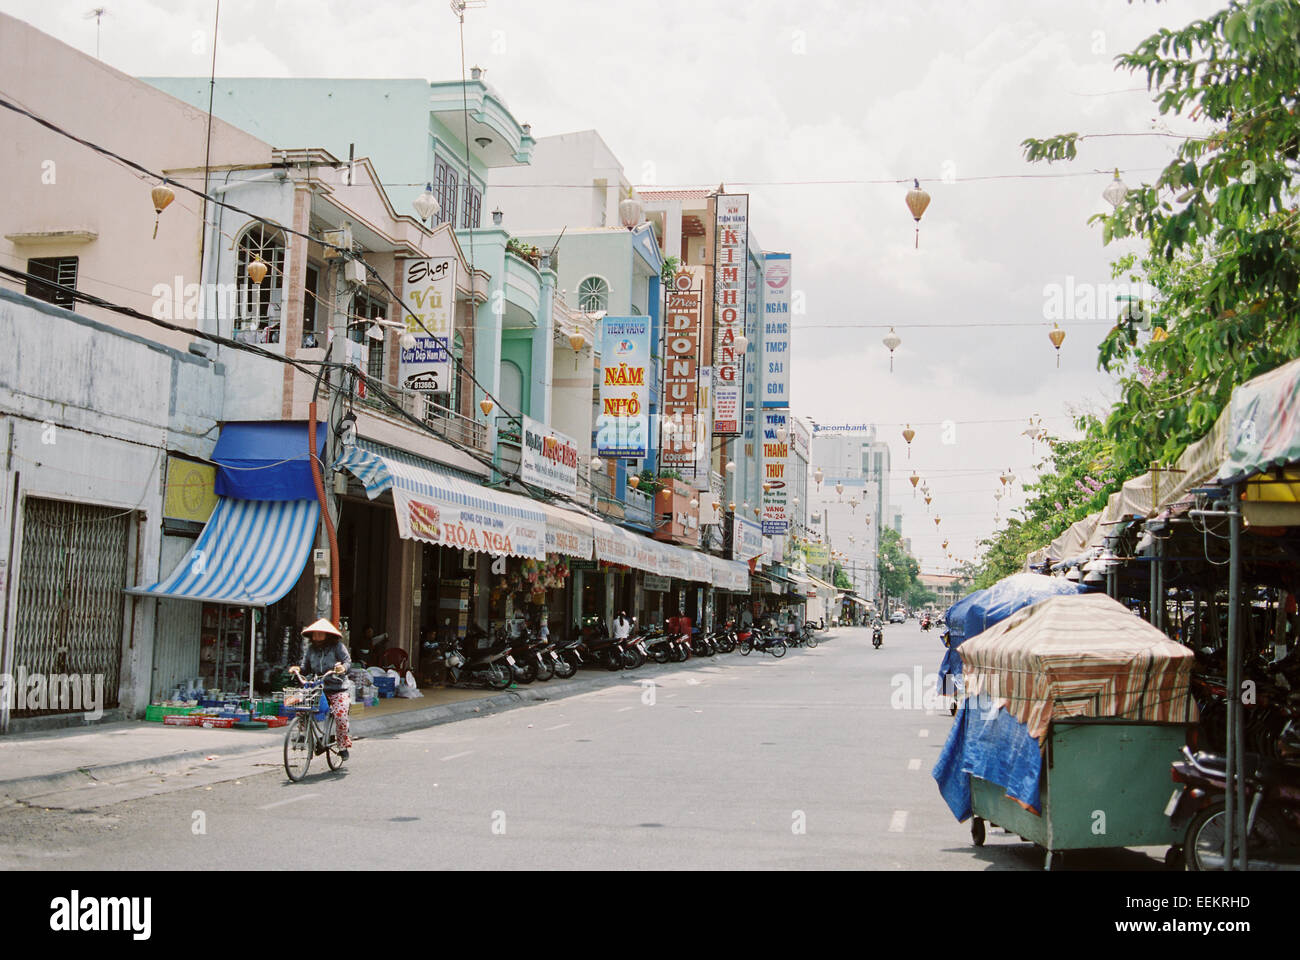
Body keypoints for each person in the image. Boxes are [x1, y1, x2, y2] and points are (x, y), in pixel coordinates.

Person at [289, 618, 353, 760]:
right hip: (318, 687)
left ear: (327, 635)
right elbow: (305, 667)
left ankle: (342, 745)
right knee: (301, 707)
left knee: (341, 716)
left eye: (320, 634)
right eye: (315, 634)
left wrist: (343, 668)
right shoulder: (311, 649)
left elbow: (348, 662)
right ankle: (304, 735)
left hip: (337, 687)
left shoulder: (338, 647)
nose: (316, 637)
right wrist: (298, 669)